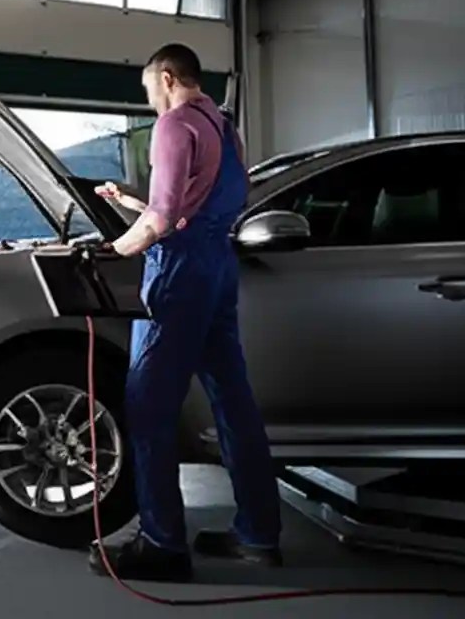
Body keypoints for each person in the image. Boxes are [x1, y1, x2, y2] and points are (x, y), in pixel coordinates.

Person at [88, 43, 283, 582]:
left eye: (150, 91)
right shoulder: (222, 125)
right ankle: (258, 535)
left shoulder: (174, 126)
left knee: (148, 403)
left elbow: (165, 219)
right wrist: (133, 205)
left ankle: (162, 544)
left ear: (168, 78)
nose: (151, 103)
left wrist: (113, 249)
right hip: (217, 265)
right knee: (233, 399)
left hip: (177, 271)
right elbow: (199, 202)